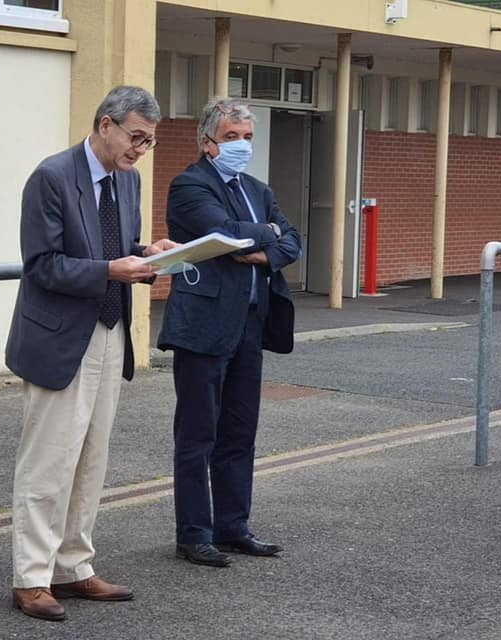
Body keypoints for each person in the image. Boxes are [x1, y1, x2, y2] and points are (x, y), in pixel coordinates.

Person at [5, 85, 177, 622]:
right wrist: (110, 269)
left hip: (109, 328)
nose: (140, 151)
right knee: (48, 461)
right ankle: (31, 577)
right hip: (60, 336)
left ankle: (74, 566)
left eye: (148, 142)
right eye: (135, 138)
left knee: (90, 459)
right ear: (106, 124)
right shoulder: (51, 177)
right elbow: (42, 265)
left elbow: (120, 246)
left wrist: (148, 253)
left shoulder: (128, 181)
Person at [157, 99, 302, 568]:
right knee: (198, 434)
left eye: (247, 137)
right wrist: (268, 234)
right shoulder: (189, 184)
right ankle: (194, 533)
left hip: (250, 326)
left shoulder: (258, 189)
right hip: (203, 326)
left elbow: (292, 240)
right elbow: (223, 233)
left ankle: (234, 526)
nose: (242, 146)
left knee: (240, 431)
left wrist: (264, 248)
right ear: (208, 143)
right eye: (232, 137)